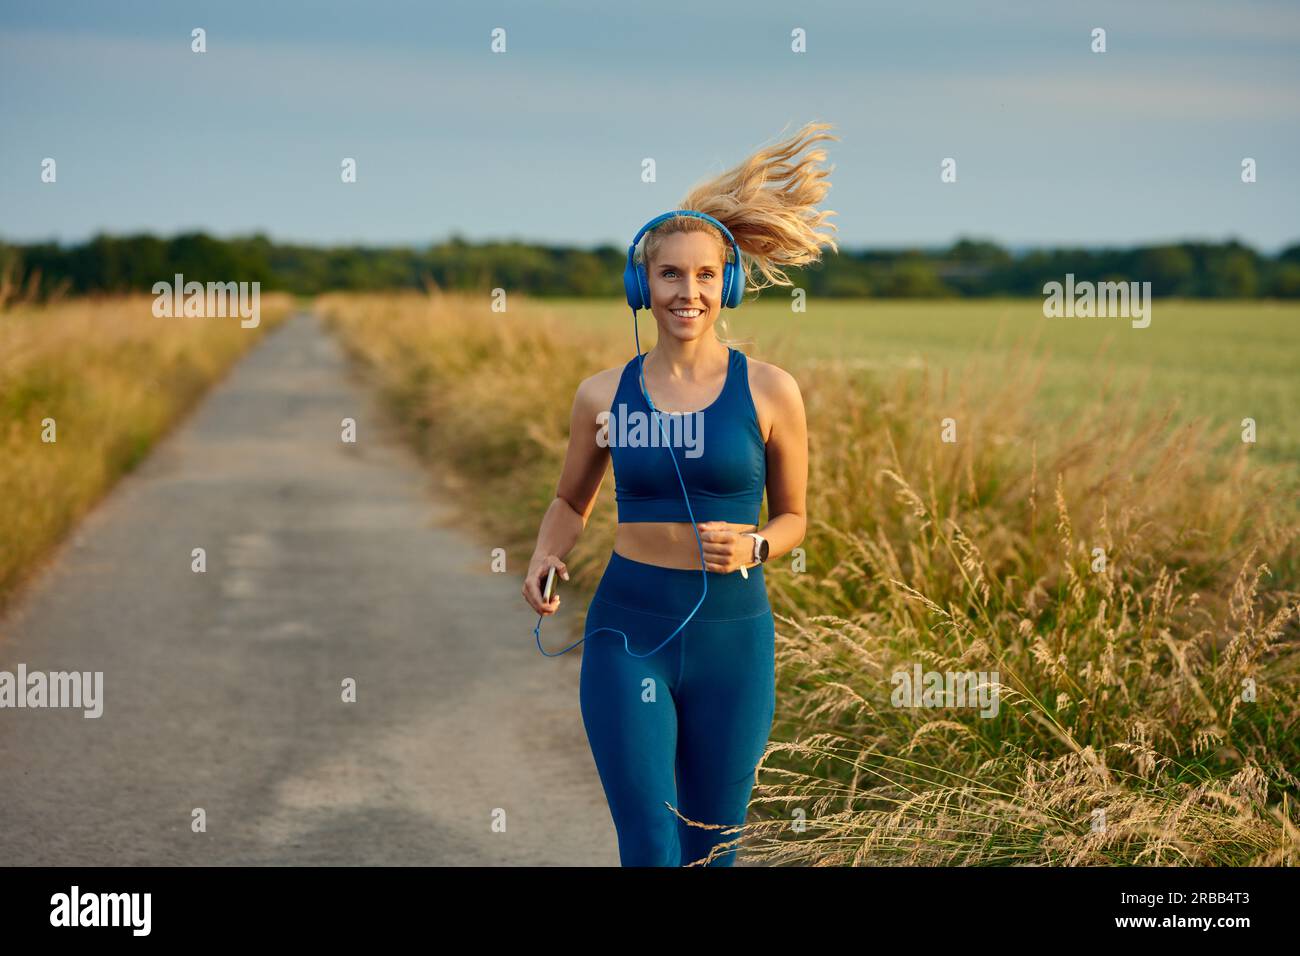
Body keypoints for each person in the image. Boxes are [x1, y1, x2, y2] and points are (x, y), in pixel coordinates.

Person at [523, 122, 838, 866]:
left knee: (711, 848)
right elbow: (571, 502)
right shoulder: (603, 394)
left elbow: (796, 517)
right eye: (669, 275)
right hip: (628, 634)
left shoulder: (770, 391)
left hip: (736, 636)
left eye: (703, 276)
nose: (687, 292)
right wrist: (543, 554)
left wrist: (759, 544)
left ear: (724, 285)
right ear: (643, 285)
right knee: (651, 843)